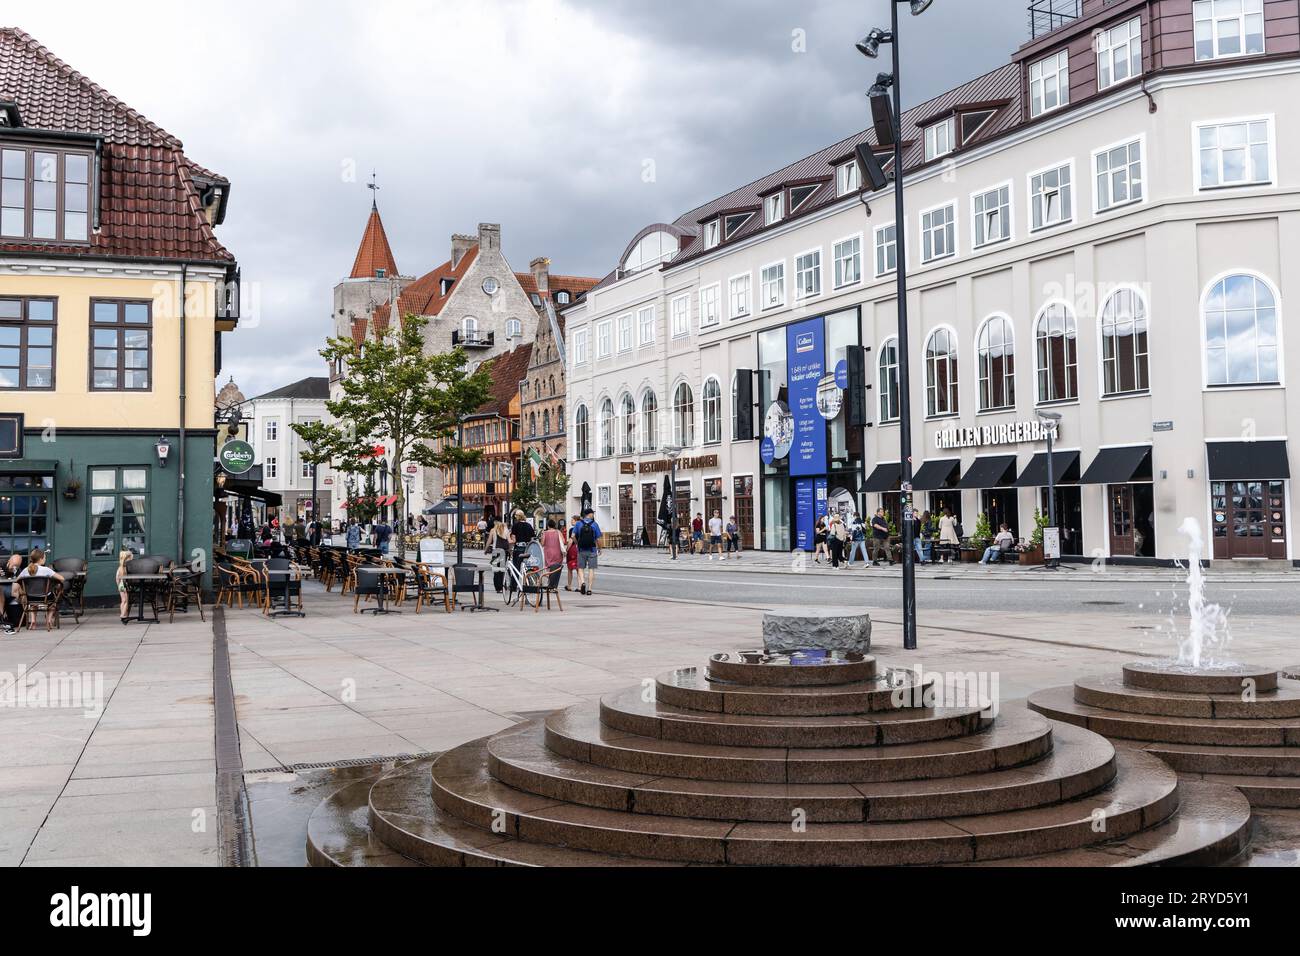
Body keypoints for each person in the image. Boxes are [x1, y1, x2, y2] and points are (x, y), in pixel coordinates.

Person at [13, 548, 65, 630]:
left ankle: (33, 621)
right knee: (54, 601)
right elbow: (62, 579)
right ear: (41, 559)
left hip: (30, 597)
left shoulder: (26, 570)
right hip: (45, 597)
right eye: (44, 557)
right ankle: (48, 620)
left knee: (33, 603)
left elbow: (17, 581)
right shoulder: (47, 570)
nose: (45, 559)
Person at [574, 508, 602, 595]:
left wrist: (577, 543)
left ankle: (582, 582)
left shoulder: (578, 524)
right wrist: (600, 548)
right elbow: (598, 539)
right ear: (589, 514)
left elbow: (573, 536)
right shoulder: (594, 524)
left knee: (581, 568)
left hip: (581, 549)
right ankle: (589, 589)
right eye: (592, 513)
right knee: (591, 569)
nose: (593, 515)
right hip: (592, 550)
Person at [115, 548, 133, 623]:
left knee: (123, 601)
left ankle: (123, 613)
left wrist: (118, 585)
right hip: (125, 585)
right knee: (126, 601)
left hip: (120, 586)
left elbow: (117, 578)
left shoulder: (120, 568)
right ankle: (123, 615)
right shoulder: (127, 568)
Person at [564, 516, 580, 590]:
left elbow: (570, 541)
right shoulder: (581, 528)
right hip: (579, 549)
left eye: (572, 520)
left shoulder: (572, 529)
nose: (571, 522)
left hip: (572, 549)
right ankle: (579, 586)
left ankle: (569, 586)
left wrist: (566, 550)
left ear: (577, 521)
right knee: (578, 569)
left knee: (570, 569)